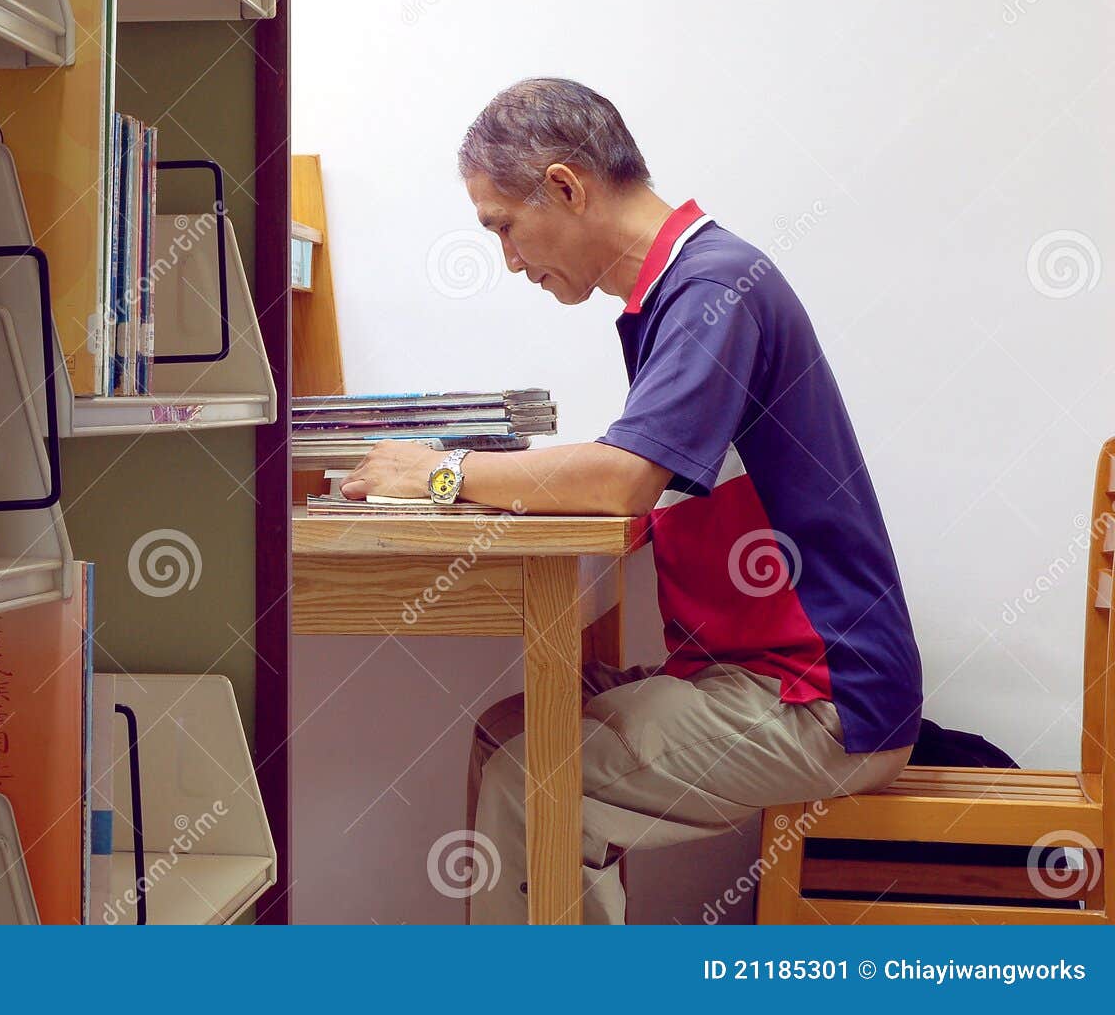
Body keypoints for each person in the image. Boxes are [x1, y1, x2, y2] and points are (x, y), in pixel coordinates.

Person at [339, 77, 923, 924]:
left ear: (567, 187)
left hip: (822, 699)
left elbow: (624, 477)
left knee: (528, 780)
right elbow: (643, 480)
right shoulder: (679, 292)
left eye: (504, 226)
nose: (508, 260)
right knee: (509, 734)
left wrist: (444, 470)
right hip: (768, 677)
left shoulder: (712, 288)